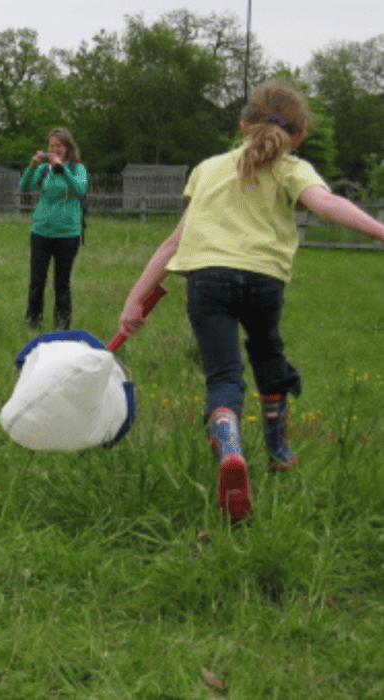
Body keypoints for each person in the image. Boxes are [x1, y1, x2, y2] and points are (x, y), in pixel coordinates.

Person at [116, 79, 384, 523]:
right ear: (299, 135)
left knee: (224, 375)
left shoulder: (207, 169)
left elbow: (173, 243)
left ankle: (229, 442)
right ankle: (278, 451)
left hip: (208, 280)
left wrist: (134, 300)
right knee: (267, 351)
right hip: (263, 282)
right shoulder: (292, 168)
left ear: (243, 125)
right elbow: (326, 205)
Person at [19, 127, 88, 331]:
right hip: (41, 232)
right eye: (51, 145)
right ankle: (33, 320)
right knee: (37, 280)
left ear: (67, 148)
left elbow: (80, 189)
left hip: (67, 234)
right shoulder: (43, 170)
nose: (54, 149)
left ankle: (62, 323)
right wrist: (32, 166)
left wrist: (62, 168)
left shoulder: (77, 169)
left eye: (58, 145)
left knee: (62, 282)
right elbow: (24, 187)